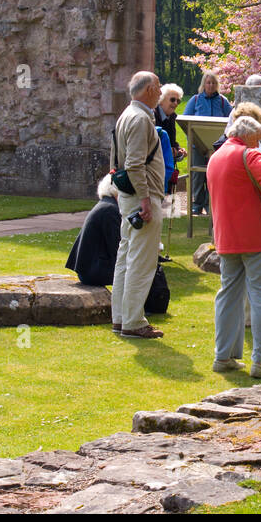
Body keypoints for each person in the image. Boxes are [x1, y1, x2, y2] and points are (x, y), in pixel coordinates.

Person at [207, 114, 261, 379]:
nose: (258, 145)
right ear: (250, 137)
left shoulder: (215, 157)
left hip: (225, 237)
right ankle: (259, 361)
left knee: (228, 295)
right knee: (260, 295)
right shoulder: (249, 155)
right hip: (253, 236)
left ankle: (223, 356)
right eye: (258, 140)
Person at [112, 71, 167, 338]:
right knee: (141, 261)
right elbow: (134, 164)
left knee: (126, 257)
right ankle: (133, 322)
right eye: (158, 87)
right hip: (140, 198)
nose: (161, 91)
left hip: (129, 197)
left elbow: (118, 161)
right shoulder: (140, 119)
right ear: (147, 90)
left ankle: (121, 318)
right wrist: (145, 199)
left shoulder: (127, 115)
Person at [182, 71, 232, 216]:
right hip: (196, 145)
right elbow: (185, 120)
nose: (210, 85)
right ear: (203, 84)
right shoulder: (195, 100)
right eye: (208, 82)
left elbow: (231, 120)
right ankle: (197, 205)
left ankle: (211, 204)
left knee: (214, 175)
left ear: (217, 85)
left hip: (217, 147)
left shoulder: (223, 101)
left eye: (213, 83)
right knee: (197, 176)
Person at [66, 174, 121, 288]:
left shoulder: (106, 205)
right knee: (138, 272)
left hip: (89, 269)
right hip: (94, 271)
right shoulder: (110, 210)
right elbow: (116, 246)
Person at [154, 84, 187, 163]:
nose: (176, 103)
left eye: (178, 101)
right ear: (161, 100)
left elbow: (172, 141)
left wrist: (179, 149)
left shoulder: (172, 117)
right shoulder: (152, 116)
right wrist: (169, 150)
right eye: (172, 100)